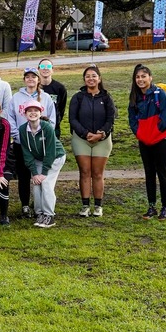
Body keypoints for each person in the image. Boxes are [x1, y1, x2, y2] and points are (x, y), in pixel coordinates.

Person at [128, 64, 166, 220]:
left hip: (161, 139)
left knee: (162, 172)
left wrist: (156, 131)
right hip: (144, 140)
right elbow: (132, 117)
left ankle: (165, 208)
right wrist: (139, 133)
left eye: (143, 76)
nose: (140, 80)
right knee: (149, 173)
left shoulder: (159, 93)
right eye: (137, 77)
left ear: (150, 78)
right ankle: (152, 206)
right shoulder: (135, 97)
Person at [68, 64, 116, 218]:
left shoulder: (106, 98)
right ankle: (85, 205)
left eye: (94, 76)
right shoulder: (78, 97)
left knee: (97, 173)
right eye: (87, 76)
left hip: (102, 140)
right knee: (85, 172)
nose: (91, 79)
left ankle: (98, 206)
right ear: (84, 79)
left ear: (99, 79)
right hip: (81, 139)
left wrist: (101, 134)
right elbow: (72, 119)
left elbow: (110, 119)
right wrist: (86, 133)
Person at [17, 99, 65, 228]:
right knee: (37, 183)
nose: (33, 113)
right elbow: (27, 153)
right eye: (29, 111)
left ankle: (49, 215)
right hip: (39, 159)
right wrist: (34, 173)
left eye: (36, 110)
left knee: (46, 183)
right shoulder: (22, 129)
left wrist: (43, 173)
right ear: (24, 114)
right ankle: (39, 213)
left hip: (55, 157)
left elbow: (50, 151)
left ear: (40, 113)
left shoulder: (47, 127)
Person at [37, 59, 68, 136]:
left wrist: (56, 121)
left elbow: (61, 108)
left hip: (54, 128)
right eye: (42, 66)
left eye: (48, 66)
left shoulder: (60, 88)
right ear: (38, 69)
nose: (45, 68)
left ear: (52, 69)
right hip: (36, 127)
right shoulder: (34, 87)